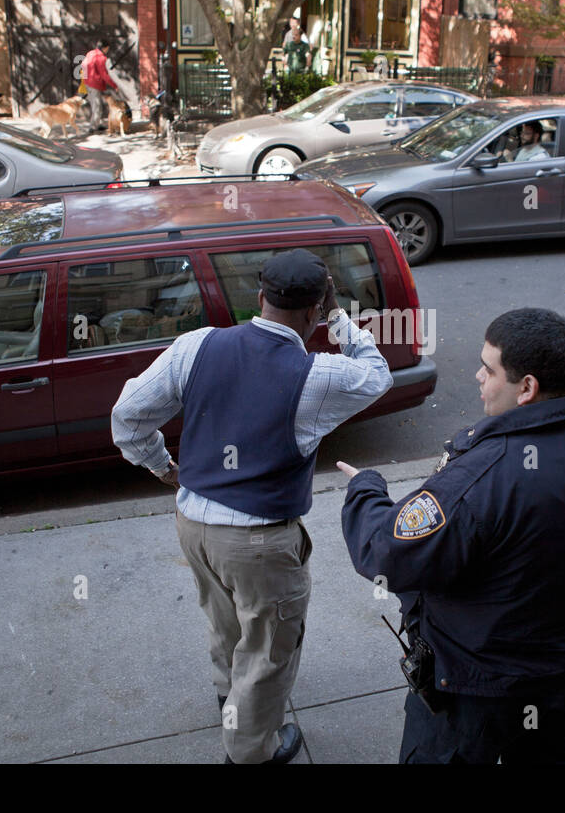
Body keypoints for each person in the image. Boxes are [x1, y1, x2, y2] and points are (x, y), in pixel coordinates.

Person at [111, 248, 392, 764]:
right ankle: (250, 751)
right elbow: (376, 374)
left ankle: (229, 699)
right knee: (267, 650)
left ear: (258, 297)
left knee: (224, 623)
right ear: (314, 311)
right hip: (259, 542)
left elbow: (128, 415)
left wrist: (162, 468)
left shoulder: (195, 346)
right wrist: (341, 320)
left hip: (192, 522)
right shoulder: (319, 375)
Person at [337, 308, 565, 764]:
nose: (478, 376)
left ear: (527, 388)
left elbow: (384, 552)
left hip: (481, 686)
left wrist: (366, 488)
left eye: (489, 368)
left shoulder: (480, 479)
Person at [81, 38, 125, 132]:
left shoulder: (90, 53)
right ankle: (93, 127)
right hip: (94, 83)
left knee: (95, 104)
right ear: (105, 48)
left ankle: (98, 123)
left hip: (88, 82)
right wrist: (114, 85)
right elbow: (104, 74)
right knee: (97, 105)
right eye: (107, 48)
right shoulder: (101, 58)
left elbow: (83, 65)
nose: (107, 50)